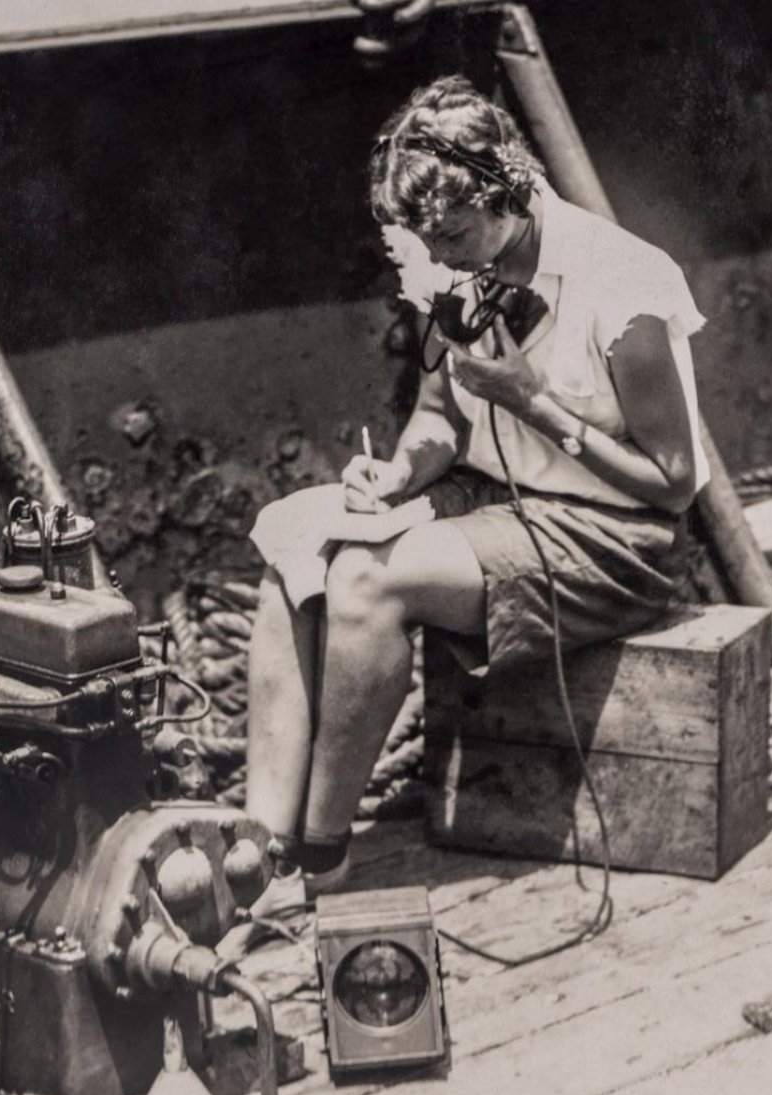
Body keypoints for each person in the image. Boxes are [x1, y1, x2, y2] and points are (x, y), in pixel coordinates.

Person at [241, 74, 710, 895]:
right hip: (491, 499)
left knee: (365, 582)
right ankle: (257, 846)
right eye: (431, 243)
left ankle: (321, 852)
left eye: (455, 236)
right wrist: (400, 471)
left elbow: (673, 486)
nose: (443, 258)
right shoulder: (457, 264)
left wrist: (534, 403)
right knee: (295, 549)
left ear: (509, 191)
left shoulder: (624, 287)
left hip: (615, 535)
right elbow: (440, 421)